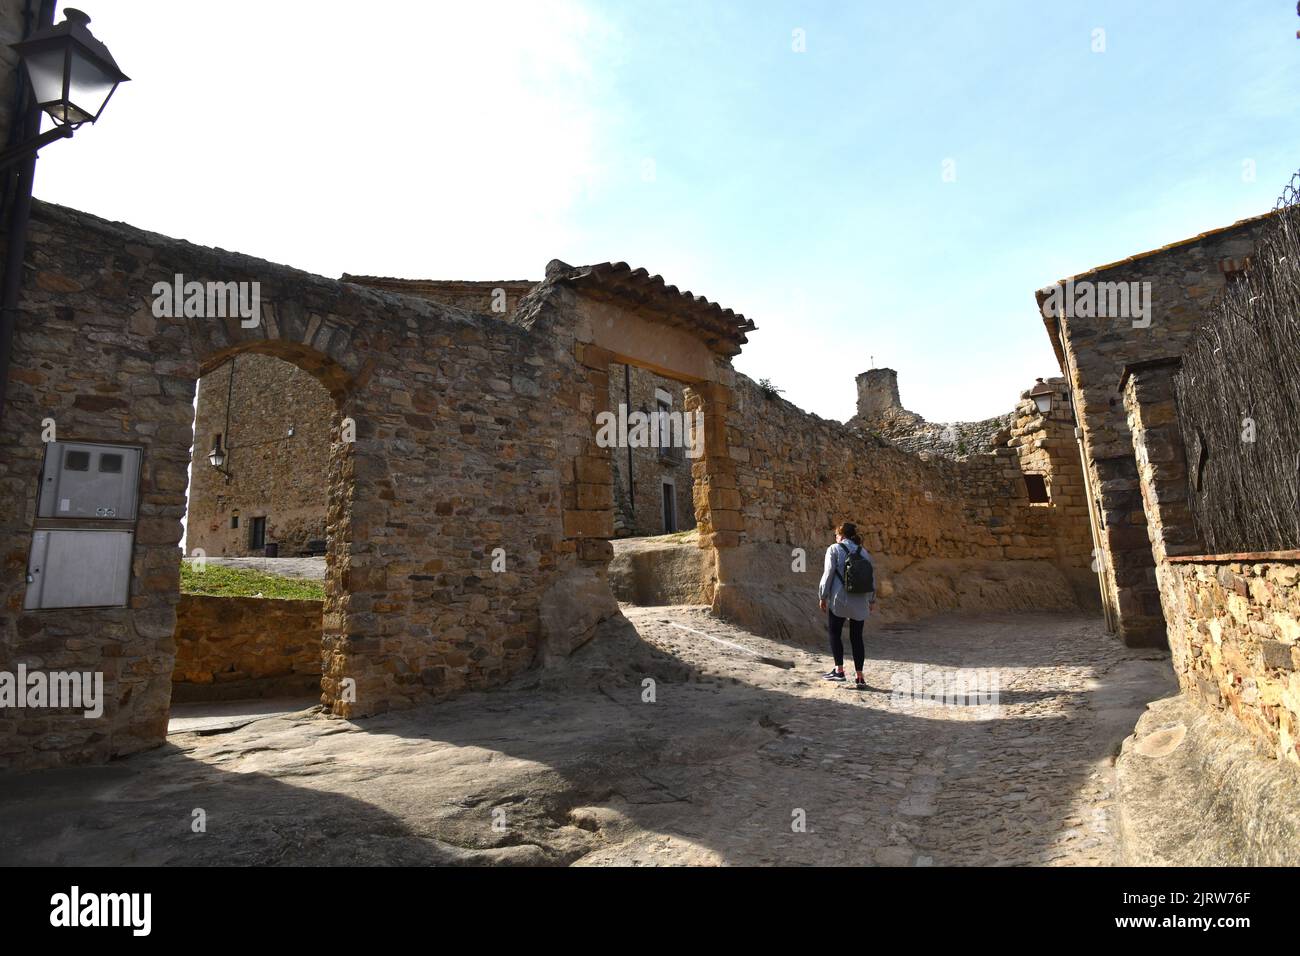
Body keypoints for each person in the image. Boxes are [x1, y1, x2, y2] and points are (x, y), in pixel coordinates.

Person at [818, 521, 877, 690]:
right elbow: (871, 578)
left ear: (841, 535)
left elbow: (828, 573)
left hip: (840, 599)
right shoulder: (864, 552)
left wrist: (822, 596)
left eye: (836, 535)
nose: (835, 538)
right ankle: (859, 677)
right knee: (857, 637)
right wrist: (872, 599)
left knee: (835, 632)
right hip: (860, 600)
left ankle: (839, 670)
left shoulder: (834, 549)